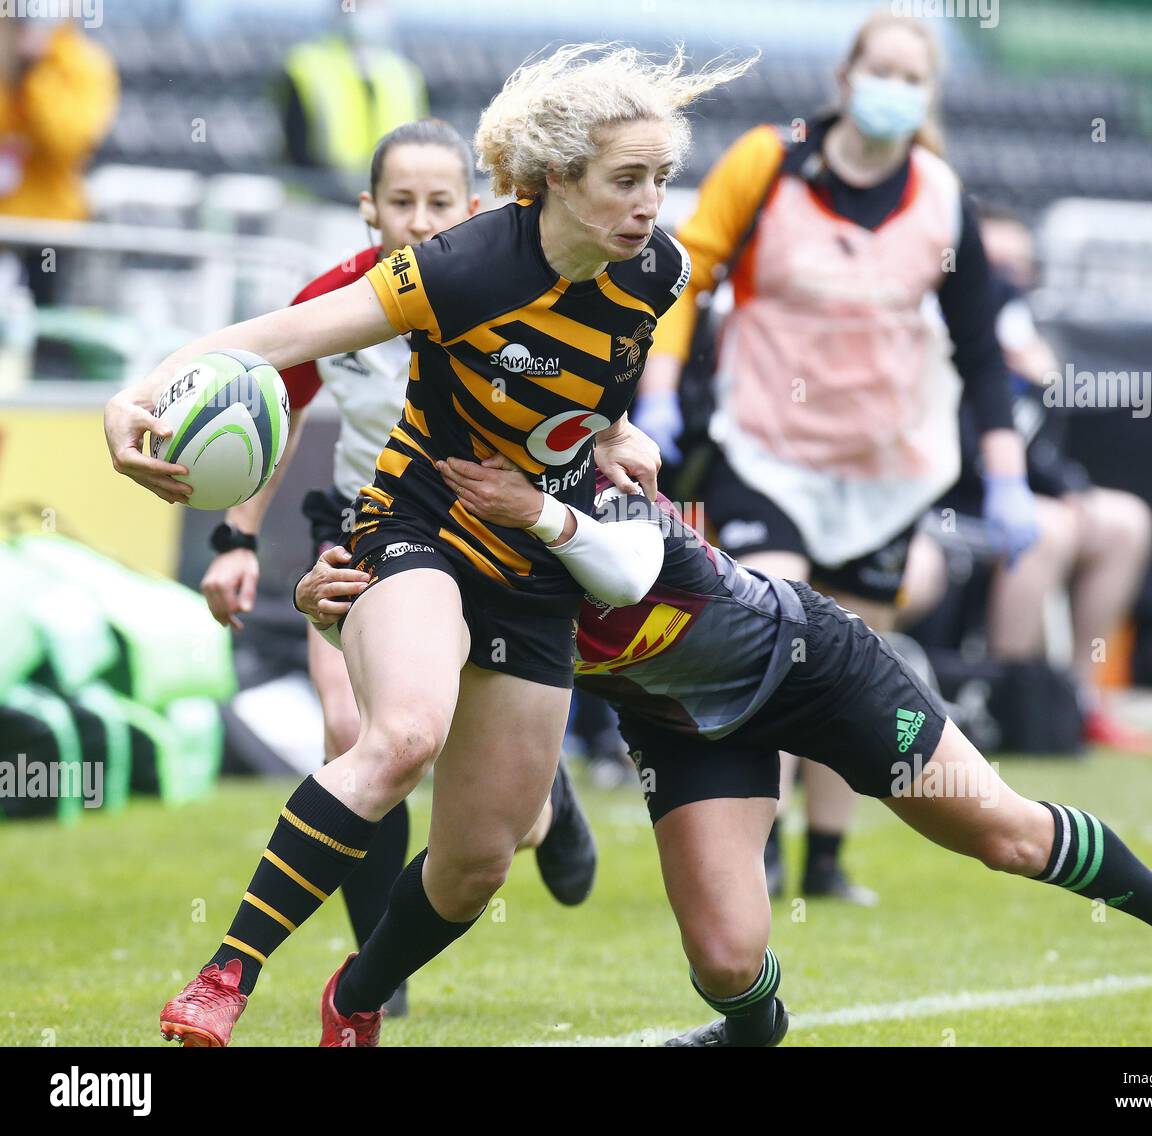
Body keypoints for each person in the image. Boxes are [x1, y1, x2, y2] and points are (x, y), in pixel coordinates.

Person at [104, 42, 754, 1047]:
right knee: (402, 734)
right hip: (420, 527)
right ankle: (225, 975)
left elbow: (585, 389)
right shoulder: (461, 267)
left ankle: (355, 995)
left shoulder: (655, 270)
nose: (650, 205)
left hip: (535, 567)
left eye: (661, 180)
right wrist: (136, 395)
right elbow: (276, 339)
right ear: (555, 179)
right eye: (627, 180)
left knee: (476, 864)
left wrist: (612, 434)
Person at [299, 454, 1152, 1048]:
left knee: (1007, 836)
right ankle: (751, 1030)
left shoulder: (592, 492)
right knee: (728, 959)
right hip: (684, 725)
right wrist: (333, 607)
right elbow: (411, 655)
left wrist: (547, 507)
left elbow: (627, 559)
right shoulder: (441, 557)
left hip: (818, 669)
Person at [196, 119, 600, 1021]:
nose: (420, 220)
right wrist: (236, 539)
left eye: (439, 202)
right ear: (368, 209)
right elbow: (271, 412)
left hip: (493, 543)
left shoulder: (511, 288)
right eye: (402, 202)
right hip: (366, 527)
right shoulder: (334, 301)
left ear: (476, 206)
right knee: (359, 731)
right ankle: (380, 971)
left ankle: (547, 804)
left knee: (490, 818)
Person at [636, 11, 1038, 904]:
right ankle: (761, 849)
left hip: (884, 467)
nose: (893, 88)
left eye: (912, 76)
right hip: (765, 446)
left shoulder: (940, 196)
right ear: (847, 77)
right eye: (879, 69)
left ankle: (825, 856)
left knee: (856, 651)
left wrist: (1007, 474)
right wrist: (658, 389)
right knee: (772, 632)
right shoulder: (769, 163)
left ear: (928, 94)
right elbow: (683, 278)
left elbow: (980, 350)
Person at [909, 209, 1152, 753]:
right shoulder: (936, 329)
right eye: (995, 265)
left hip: (1016, 495)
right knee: (1048, 530)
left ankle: (1080, 700)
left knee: (1126, 522)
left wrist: (1046, 400)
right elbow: (966, 447)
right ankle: (1004, 702)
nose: (1008, 279)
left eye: (1019, 266)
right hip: (949, 504)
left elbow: (1041, 445)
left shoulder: (1027, 335)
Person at [0, 13, 119, 303]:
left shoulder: (83, 64)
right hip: (6, 218)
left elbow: (67, 142)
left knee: (47, 319)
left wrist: (36, 72)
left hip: (50, 226)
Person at [279, 0, 428, 199]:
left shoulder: (404, 74)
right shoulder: (305, 66)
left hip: (386, 200)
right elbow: (295, 148)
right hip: (317, 201)